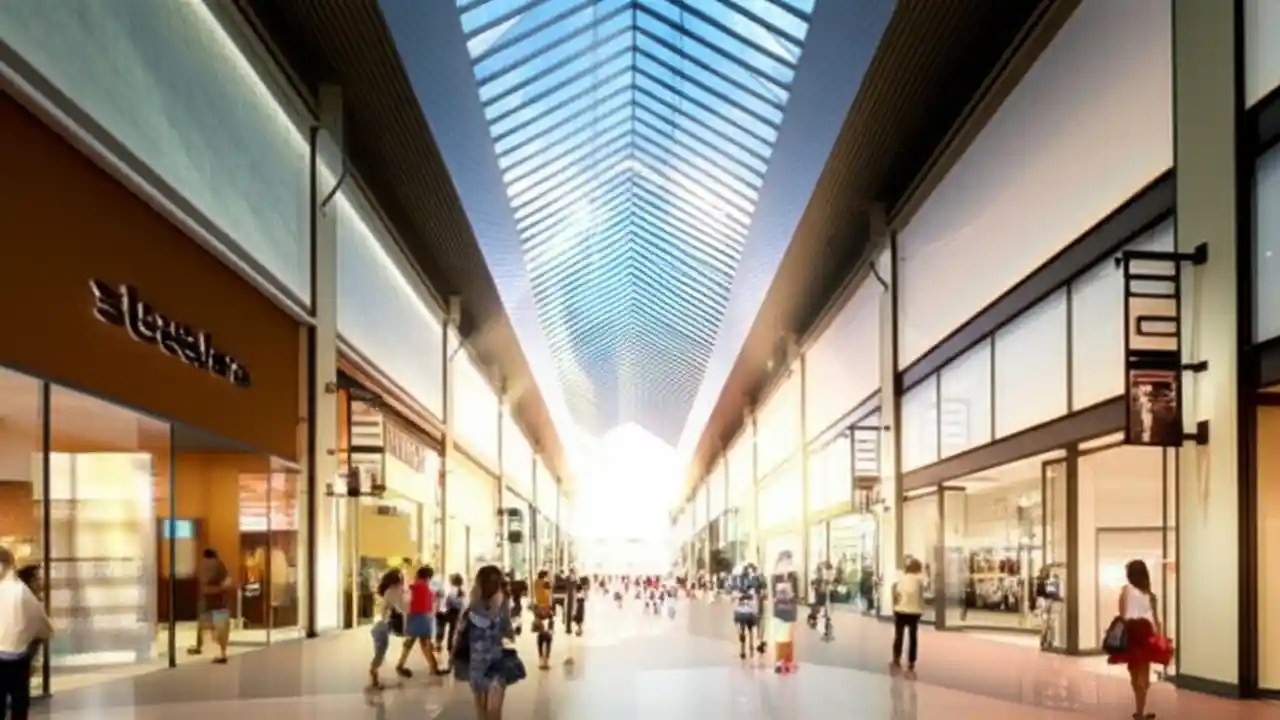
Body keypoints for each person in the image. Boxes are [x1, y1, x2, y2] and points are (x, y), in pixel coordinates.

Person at [1106, 559, 1172, 720]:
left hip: (1131, 631)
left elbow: (1122, 614)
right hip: (1145, 631)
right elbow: (1156, 620)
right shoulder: (1151, 596)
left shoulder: (1126, 591)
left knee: (1134, 669)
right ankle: (1140, 709)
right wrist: (1160, 637)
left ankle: (1140, 710)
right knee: (1144, 668)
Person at [454, 565, 520, 720]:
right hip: (496, 662)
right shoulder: (500, 602)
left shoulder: (472, 604)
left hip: (477, 664)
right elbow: (506, 630)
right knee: (494, 713)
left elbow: (461, 630)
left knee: (482, 712)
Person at [0, 548, 51, 720]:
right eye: (37, 578)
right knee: (19, 704)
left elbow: (42, 628)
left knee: (18, 704)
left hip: (14, 658)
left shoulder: (18, 591)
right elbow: (44, 628)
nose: (41, 583)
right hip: (17, 658)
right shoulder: (20, 591)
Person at [395, 565, 446, 678]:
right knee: (424, 643)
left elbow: (405, 603)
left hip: (413, 617)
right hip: (424, 618)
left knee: (412, 642)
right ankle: (434, 668)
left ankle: (401, 665)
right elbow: (431, 604)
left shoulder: (412, 588)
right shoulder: (426, 589)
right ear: (428, 577)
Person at [188, 548, 232, 664]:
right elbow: (227, 583)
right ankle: (220, 652)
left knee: (206, 626)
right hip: (218, 603)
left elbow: (223, 583)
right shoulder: (220, 566)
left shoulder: (210, 567)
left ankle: (215, 651)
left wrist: (212, 590)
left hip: (212, 603)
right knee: (217, 629)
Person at [368, 568, 406, 690]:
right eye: (401, 578)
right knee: (380, 654)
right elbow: (402, 608)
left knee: (380, 653)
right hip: (382, 627)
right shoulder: (394, 591)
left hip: (379, 626)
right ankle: (374, 677)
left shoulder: (387, 591)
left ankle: (375, 676)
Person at [891, 557, 926, 675]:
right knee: (913, 637)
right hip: (914, 612)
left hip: (900, 610)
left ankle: (896, 658)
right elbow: (921, 597)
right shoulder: (919, 581)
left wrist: (894, 606)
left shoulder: (901, 579)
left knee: (899, 635)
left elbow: (897, 594)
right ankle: (911, 661)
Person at [770, 551, 799, 674]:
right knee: (785, 636)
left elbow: (773, 594)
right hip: (785, 609)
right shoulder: (791, 575)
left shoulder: (778, 576)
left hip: (782, 609)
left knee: (783, 636)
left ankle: (783, 661)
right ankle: (785, 661)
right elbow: (795, 594)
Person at [732, 564, 762, 660]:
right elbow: (754, 598)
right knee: (750, 629)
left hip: (740, 612)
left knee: (741, 627)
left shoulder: (738, 585)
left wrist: (739, 597)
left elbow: (734, 597)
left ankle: (742, 650)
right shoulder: (751, 585)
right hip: (750, 612)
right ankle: (751, 646)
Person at [436, 573, 466, 654]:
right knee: (452, 631)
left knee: (440, 624)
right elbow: (462, 605)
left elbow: (447, 603)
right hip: (456, 613)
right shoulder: (462, 591)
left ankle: (438, 642)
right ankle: (450, 646)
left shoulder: (450, 590)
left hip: (448, 612)